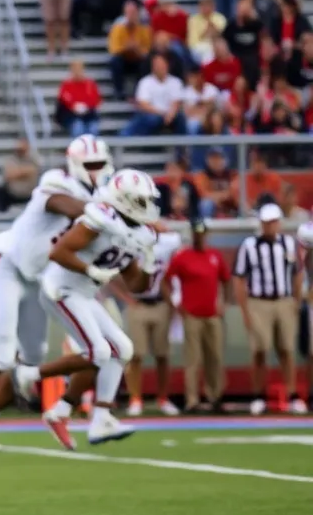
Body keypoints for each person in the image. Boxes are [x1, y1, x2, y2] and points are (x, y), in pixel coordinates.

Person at [0, 135, 112, 450]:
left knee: (31, 359)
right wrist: (113, 214)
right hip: (6, 263)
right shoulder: (58, 182)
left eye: (99, 165)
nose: (95, 172)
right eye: (90, 165)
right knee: (0, 356)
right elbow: (69, 208)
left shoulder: (104, 199)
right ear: (75, 164)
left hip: (39, 275)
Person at [13, 170, 161, 445]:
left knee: (122, 349)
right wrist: (90, 269)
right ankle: (29, 374)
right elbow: (58, 253)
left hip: (84, 293)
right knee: (98, 351)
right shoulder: (101, 219)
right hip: (61, 289)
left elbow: (136, 285)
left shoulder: (134, 231)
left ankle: (86, 416)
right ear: (125, 200)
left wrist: (150, 265)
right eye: (141, 201)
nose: (148, 207)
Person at [233, 203, 303, 415]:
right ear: (261, 224)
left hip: (283, 300)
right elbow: (239, 278)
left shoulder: (289, 244)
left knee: (286, 350)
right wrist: (244, 310)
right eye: (267, 222)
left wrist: (296, 301)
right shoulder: (249, 245)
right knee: (259, 350)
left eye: (273, 222)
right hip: (258, 302)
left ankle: (291, 395)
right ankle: (258, 395)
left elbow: (297, 273)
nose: (270, 226)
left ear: (279, 223)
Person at [163, 220, 230, 412]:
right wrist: (174, 304)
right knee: (193, 359)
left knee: (215, 357)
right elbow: (166, 280)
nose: (199, 237)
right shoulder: (183, 257)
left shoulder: (214, 256)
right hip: (191, 314)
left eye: (202, 234)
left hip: (212, 315)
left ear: (207, 235)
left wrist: (223, 303)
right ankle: (192, 400)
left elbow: (226, 280)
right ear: (192, 235)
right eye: (197, 234)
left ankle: (215, 396)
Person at [122, 230, 183, 417]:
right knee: (136, 356)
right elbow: (116, 275)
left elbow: (174, 238)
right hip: (138, 303)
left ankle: (163, 399)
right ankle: (135, 399)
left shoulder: (165, 246)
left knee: (162, 355)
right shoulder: (130, 245)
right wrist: (126, 298)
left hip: (160, 302)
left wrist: (171, 303)